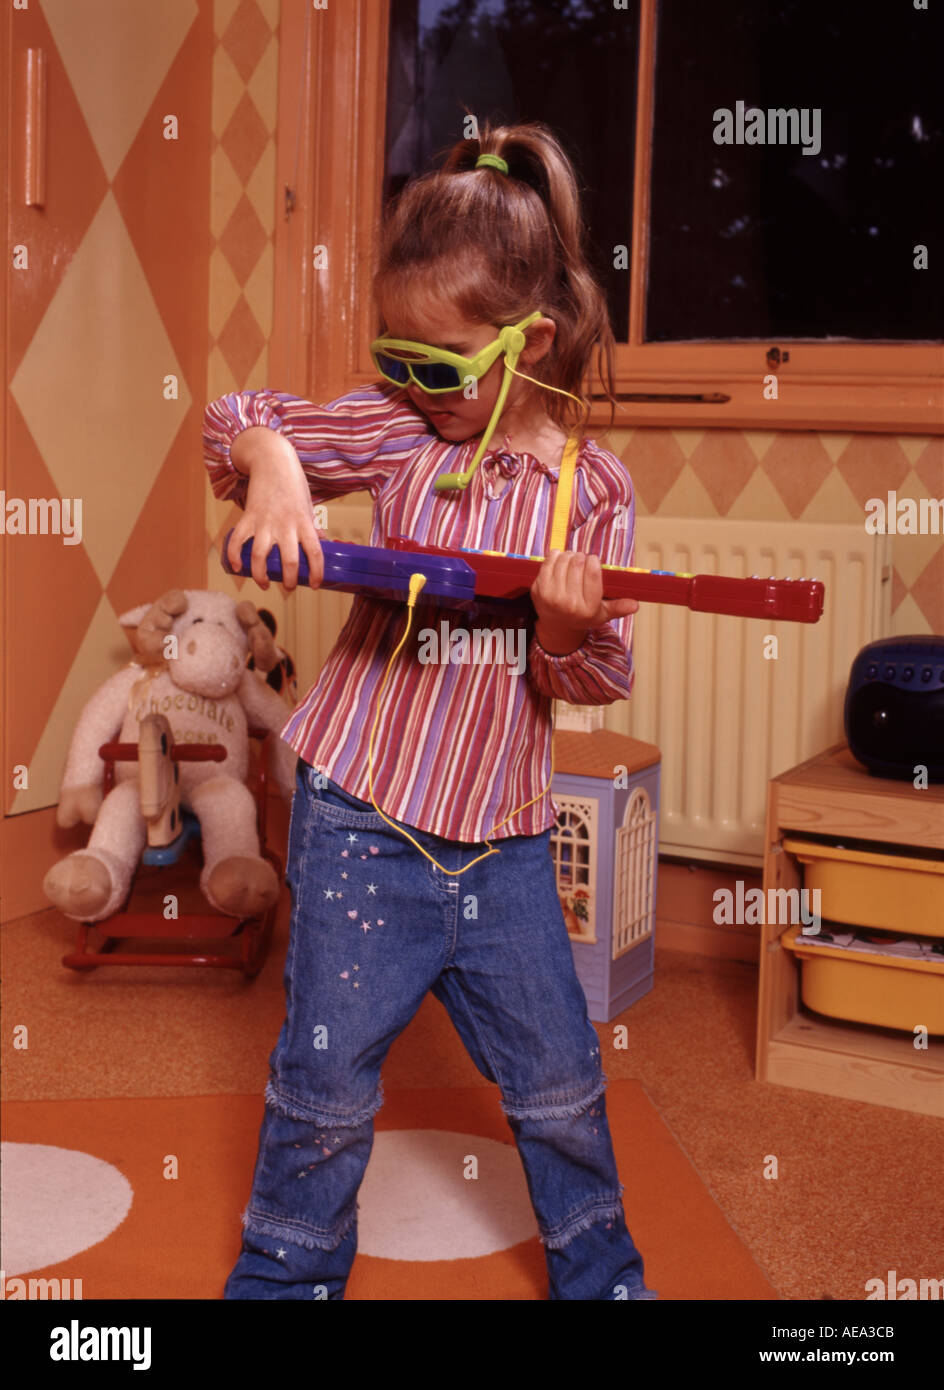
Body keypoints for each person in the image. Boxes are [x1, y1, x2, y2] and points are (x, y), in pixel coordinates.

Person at [203, 119, 656, 1301]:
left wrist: (561, 633)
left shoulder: (591, 492)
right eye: (391, 355)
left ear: (531, 341)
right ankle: (280, 1279)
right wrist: (278, 468)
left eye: (439, 362)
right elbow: (233, 416)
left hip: (503, 839)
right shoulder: (399, 430)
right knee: (327, 1082)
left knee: (558, 1082)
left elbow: (592, 678)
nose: (411, 385)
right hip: (360, 818)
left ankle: (601, 1275)